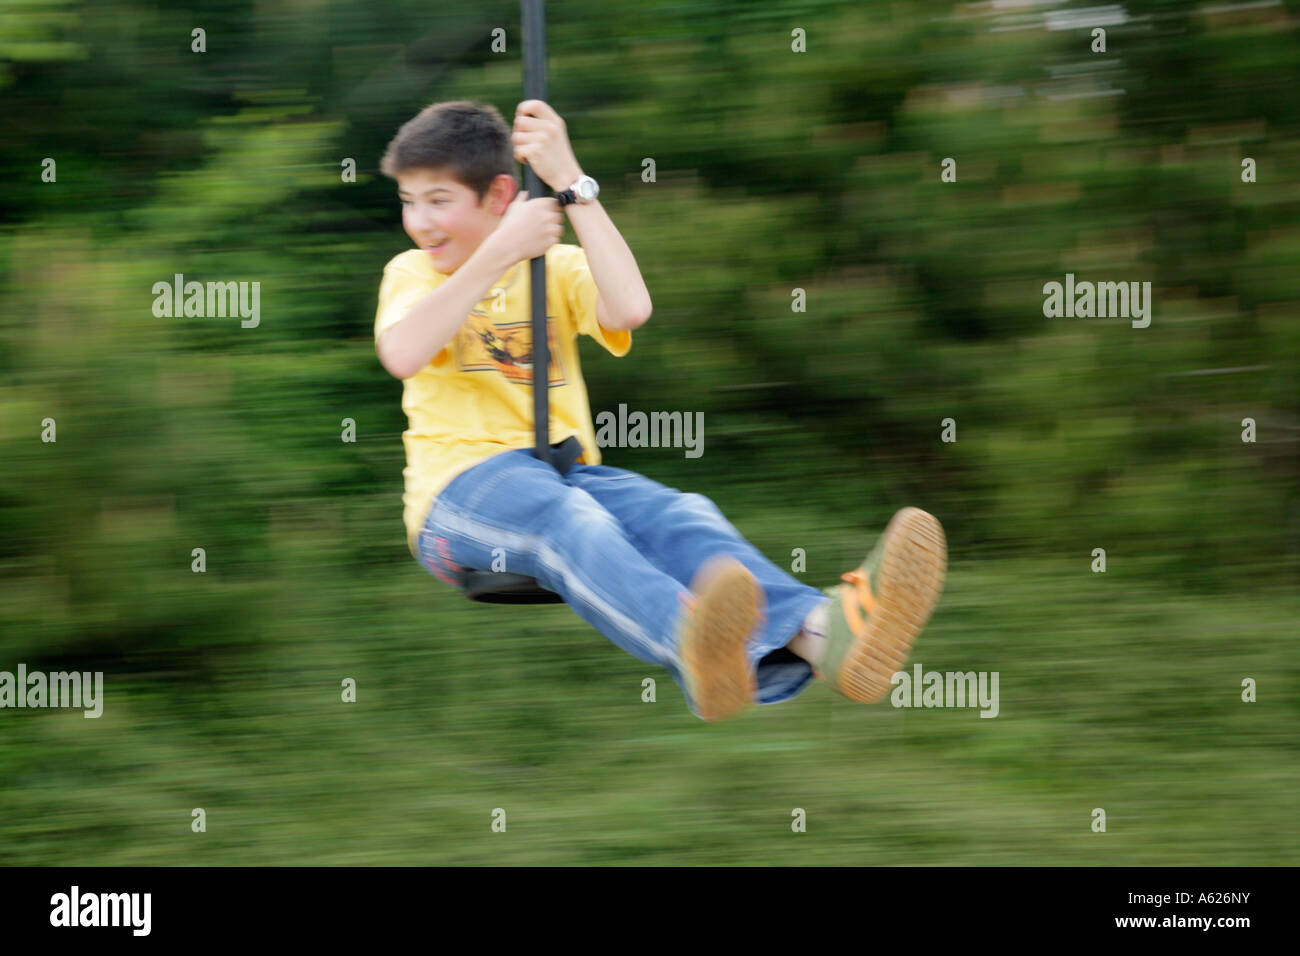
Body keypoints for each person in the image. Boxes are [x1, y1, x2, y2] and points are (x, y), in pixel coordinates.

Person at [374, 98, 946, 722]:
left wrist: (571, 183)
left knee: (681, 515)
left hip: (563, 472)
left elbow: (630, 308)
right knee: (570, 518)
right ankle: (691, 642)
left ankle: (824, 631)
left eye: (438, 200)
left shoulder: (550, 269)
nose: (419, 221)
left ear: (498, 194)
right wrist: (497, 252)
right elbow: (403, 351)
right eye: (409, 200)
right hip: (458, 500)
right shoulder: (413, 274)